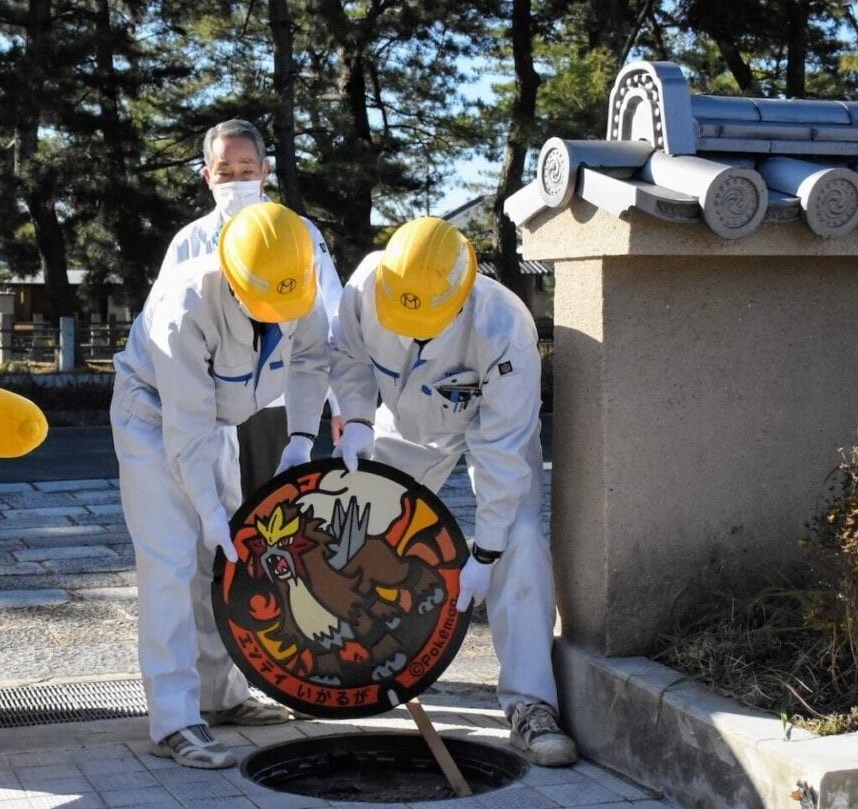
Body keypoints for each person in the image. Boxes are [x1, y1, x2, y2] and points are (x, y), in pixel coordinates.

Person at [329, 217, 576, 767]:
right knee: (352, 527)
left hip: (490, 429)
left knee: (520, 541)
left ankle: (531, 704)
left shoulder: (503, 325)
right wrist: (358, 419)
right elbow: (346, 357)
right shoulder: (366, 284)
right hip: (403, 427)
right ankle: (347, 669)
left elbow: (502, 453)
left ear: (460, 296)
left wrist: (484, 553)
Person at [112, 202, 331, 769]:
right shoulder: (183, 304)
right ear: (233, 276)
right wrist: (210, 513)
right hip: (154, 417)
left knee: (223, 561)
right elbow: (184, 433)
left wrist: (301, 440)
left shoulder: (297, 283)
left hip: (218, 422)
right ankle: (174, 719)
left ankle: (221, 696)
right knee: (170, 561)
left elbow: (311, 360)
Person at [158, 119, 342, 497]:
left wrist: (341, 405)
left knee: (275, 509)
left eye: (247, 170)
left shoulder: (299, 233)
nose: (236, 181)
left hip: (277, 403)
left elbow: (330, 316)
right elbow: (162, 323)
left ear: (265, 171)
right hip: (207, 404)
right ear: (207, 176)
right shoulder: (188, 241)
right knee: (211, 509)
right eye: (225, 172)